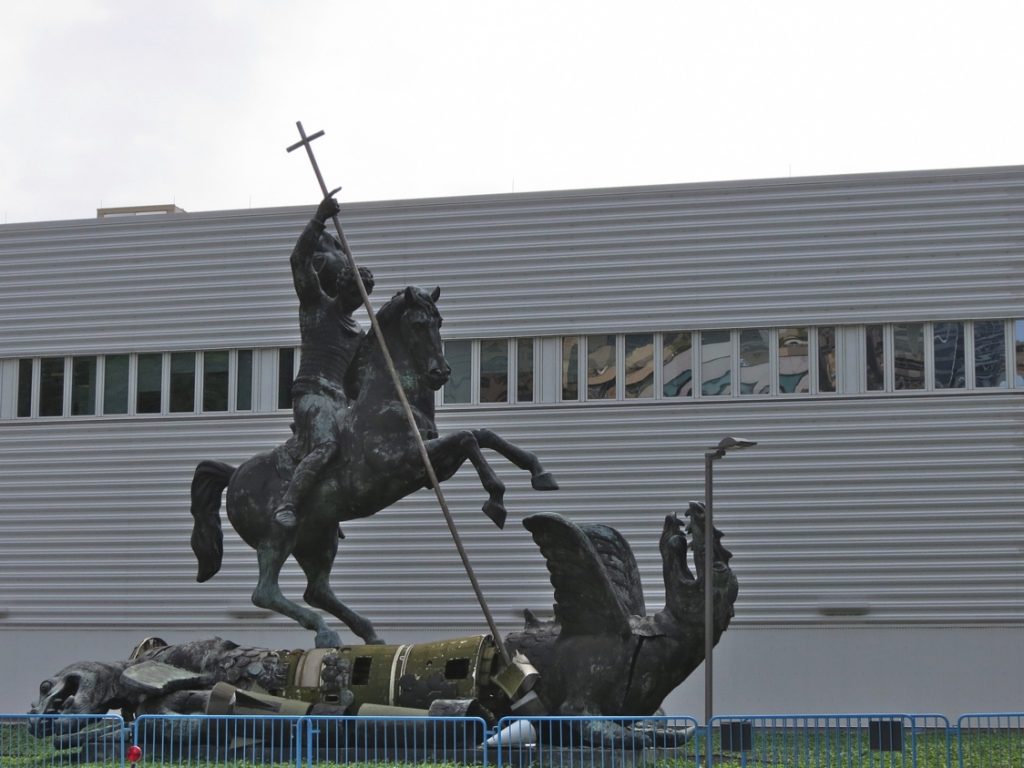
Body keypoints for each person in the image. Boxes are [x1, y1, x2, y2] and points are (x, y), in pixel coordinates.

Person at [273, 195, 374, 528]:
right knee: (329, 444)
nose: (358, 301)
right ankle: (288, 503)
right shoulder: (316, 305)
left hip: (339, 401)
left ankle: (326, 503)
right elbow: (297, 259)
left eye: (363, 297)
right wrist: (319, 218)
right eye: (354, 292)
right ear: (342, 285)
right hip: (312, 394)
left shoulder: (358, 332)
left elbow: (355, 384)